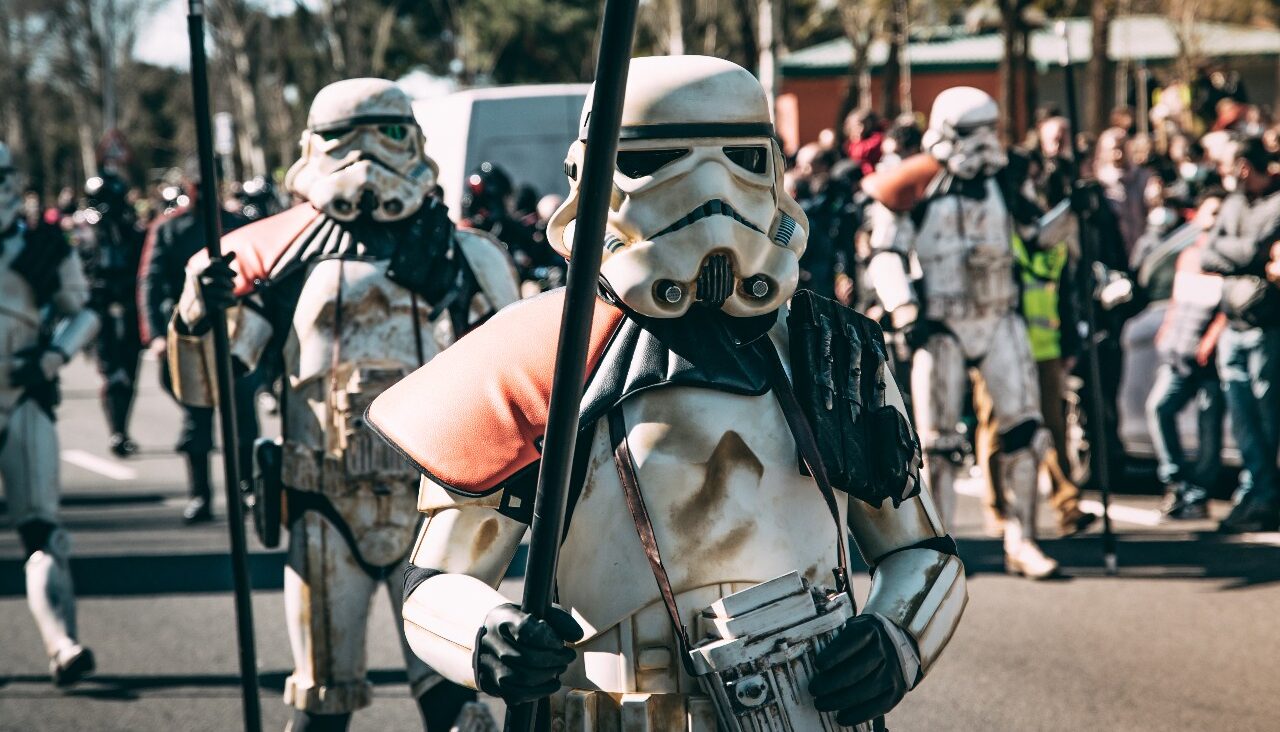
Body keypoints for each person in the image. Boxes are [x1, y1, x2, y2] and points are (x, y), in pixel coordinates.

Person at [372, 56, 966, 731]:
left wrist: (897, 638)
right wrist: (488, 635)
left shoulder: (832, 349)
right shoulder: (534, 356)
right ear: (590, 178)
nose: (707, 191)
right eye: (656, 160)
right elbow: (434, 584)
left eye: (739, 157)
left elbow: (920, 549)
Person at [171, 78, 520, 732]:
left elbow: (520, 381)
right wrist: (199, 312)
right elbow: (209, 384)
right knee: (321, 698)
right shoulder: (273, 257)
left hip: (437, 508)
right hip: (323, 503)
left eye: (387, 135)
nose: (366, 157)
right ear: (312, 146)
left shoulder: (467, 255)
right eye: (342, 139)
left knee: (453, 694)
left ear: (413, 142)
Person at [863, 87, 1075, 579]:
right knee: (937, 443)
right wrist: (904, 309)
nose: (983, 145)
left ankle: (1021, 538)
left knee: (1024, 428)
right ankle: (939, 548)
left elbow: (1035, 236)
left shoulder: (1004, 181)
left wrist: (1070, 213)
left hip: (1000, 317)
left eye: (989, 132)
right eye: (972, 134)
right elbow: (886, 252)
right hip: (942, 323)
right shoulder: (916, 184)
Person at [0, 141, 100, 685]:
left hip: (23, 395)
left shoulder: (40, 247)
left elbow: (82, 312)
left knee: (42, 530)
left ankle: (61, 643)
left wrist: (54, 355)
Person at [138, 176, 249, 524]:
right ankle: (201, 494)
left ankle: (247, 490)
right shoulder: (170, 230)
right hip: (188, 336)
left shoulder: (240, 226)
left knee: (244, 419)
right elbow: (151, 284)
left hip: (237, 335)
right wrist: (156, 336)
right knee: (196, 421)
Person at [1199, 136, 1280, 533]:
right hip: (1232, 325)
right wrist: (1246, 253)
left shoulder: (1277, 204)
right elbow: (1207, 253)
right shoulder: (1231, 204)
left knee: (1267, 418)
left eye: (1232, 166)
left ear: (1246, 166)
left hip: (1266, 326)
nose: (1227, 174)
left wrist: (1241, 252)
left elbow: (1251, 250)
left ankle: (1263, 496)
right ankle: (1257, 494)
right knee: (1243, 420)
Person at [1146, 195, 1227, 520]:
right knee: (1159, 407)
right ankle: (1175, 480)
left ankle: (1201, 490)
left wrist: (1211, 341)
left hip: (1209, 360)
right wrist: (1166, 331)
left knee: (1210, 425)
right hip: (1179, 352)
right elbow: (1177, 303)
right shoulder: (1189, 256)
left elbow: (1226, 310)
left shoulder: (1225, 257)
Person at [79, 171, 147, 456]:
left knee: (129, 373)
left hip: (129, 306)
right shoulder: (83, 229)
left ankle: (122, 429)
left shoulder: (132, 227)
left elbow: (143, 264)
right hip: (101, 310)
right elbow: (79, 270)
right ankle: (117, 431)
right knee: (112, 374)